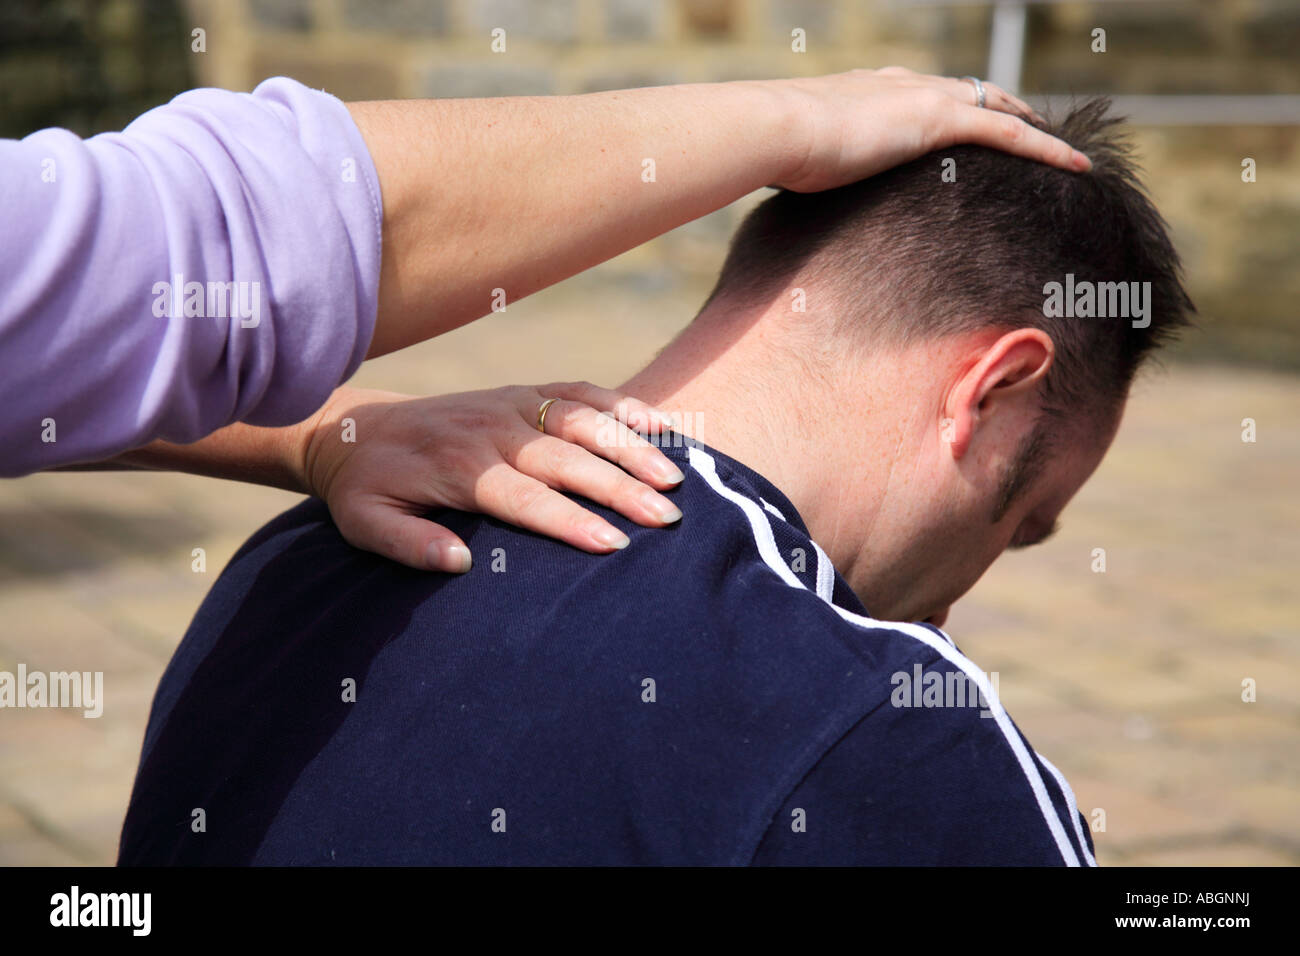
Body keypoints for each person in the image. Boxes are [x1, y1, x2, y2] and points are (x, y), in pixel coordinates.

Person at [117, 98, 1168, 867]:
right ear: (991, 392)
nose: (946, 610)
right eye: (1018, 520)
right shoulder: (886, 734)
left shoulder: (297, 559)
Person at [2, 70, 1088, 569]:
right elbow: (200, 249)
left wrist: (314, 432)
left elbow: (61, 319)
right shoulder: (916, 768)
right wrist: (788, 119)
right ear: (990, 387)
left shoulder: (274, 595)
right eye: (1017, 522)